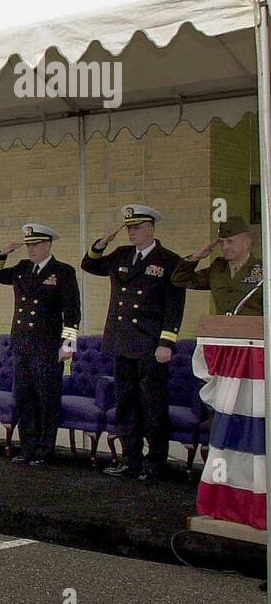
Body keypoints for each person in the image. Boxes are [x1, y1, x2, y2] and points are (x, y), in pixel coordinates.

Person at [82, 204, 185, 481]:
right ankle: (130, 459)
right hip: (122, 341)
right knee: (126, 403)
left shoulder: (169, 261)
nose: (132, 232)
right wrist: (103, 242)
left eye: (137, 227)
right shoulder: (121, 254)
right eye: (129, 227)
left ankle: (155, 462)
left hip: (151, 345)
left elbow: (174, 306)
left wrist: (167, 342)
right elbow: (90, 264)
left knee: (152, 405)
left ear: (151, 228)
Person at [0, 223, 80, 466]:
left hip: (47, 345)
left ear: (48, 245)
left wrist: (68, 344)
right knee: (24, 398)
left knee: (46, 399)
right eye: (28, 245)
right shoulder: (22, 268)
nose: (31, 249)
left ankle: (44, 450)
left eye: (36, 244)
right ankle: (27, 447)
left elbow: (72, 311)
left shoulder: (62, 271)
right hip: (22, 344)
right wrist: (3, 253)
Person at [171, 216, 263, 315]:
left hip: (253, 328)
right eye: (222, 242)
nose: (225, 247)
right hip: (221, 328)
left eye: (230, 241)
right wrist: (196, 257)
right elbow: (179, 280)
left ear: (246, 243)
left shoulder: (263, 270)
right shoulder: (218, 268)